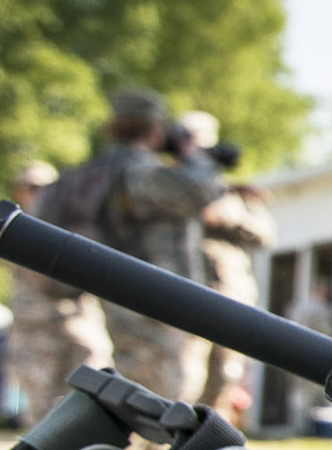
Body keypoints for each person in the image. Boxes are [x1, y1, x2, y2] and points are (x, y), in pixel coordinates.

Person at [63, 89, 225, 402]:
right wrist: (194, 156)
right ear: (154, 129)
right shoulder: (138, 172)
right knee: (163, 401)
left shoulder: (99, 172)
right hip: (156, 299)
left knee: (140, 388)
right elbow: (198, 191)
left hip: (123, 291)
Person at [0, 163, 114, 424]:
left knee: (94, 390)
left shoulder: (75, 225)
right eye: (30, 188)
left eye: (44, 188)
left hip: (78, 319)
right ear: (20, 192)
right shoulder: (13, 227)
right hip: (35, 325)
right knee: (42, 402)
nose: (37, 194)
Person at [184, 116, 271, 421]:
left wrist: (227, 217)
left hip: (229, 295)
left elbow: (265, 232)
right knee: (185, 374)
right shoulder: (171, 185)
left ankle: (213, 434)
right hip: (185, 296)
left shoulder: (230, 194)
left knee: (225, 373)